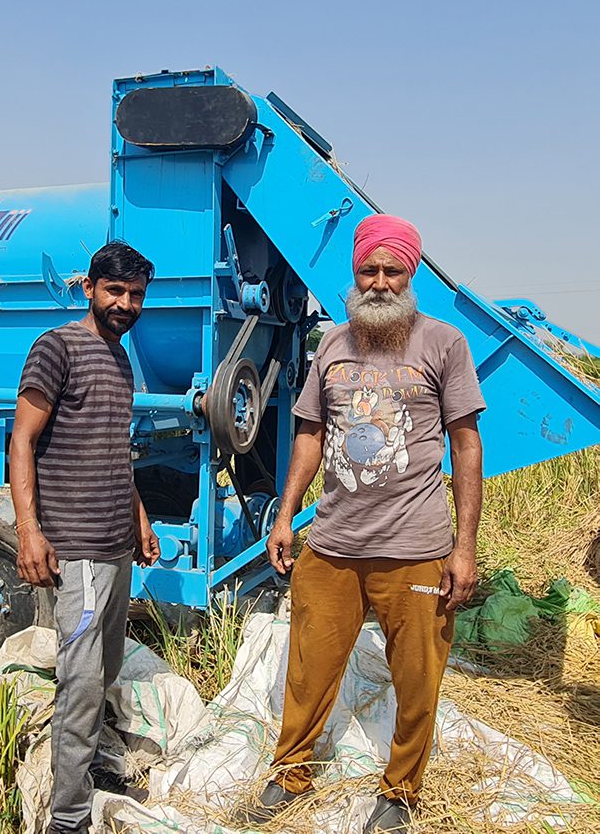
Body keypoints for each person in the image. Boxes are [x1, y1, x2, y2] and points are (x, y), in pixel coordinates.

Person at [236, 214, 486, 833]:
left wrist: (465, 548)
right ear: (354, 272)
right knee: (308, 668)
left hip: (416, 546)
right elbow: (311, 434)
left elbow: (466, 445)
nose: (379, 282)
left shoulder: (444, 344)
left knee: (417, 677)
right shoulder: (333, 345)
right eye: (368, 270)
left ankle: (401, 791)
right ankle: (291, 771)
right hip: (333, 543)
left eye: (392, 270)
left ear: (411, 274)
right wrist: (286, 515)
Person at [10, 241, 163, 834]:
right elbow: (21, 441)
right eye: (115, 291)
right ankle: (68, 816)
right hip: (74, 547)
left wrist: (139, 517)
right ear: (89, 289)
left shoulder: (120, 359)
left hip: (115, 543)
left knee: (107, 667)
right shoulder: (56, 348)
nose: (125, 304)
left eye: (136, 295)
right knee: (79, 681)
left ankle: (93, 764)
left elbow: (114, 448)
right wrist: (30, 531)